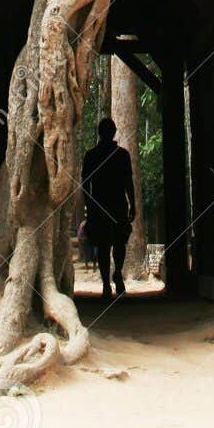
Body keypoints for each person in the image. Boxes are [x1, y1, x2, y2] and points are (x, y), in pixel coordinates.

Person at [81, 116, 136, 300]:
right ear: (113, 133)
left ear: (99, 133)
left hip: (99, 206)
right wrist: (133, 204)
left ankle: (106, 283)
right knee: (119, 243)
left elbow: (85, 184)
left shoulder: (91, 155)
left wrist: (89, 204)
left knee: (103, 246)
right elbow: (128, 183)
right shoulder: (122, 155)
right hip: (118, 205)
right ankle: (117, 273)